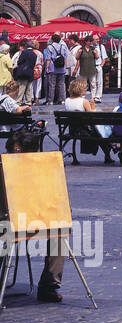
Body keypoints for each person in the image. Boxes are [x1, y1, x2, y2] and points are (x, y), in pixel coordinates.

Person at [9, 123, 66, 302]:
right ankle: (49, 286)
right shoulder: (5, 167)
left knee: (59, 232)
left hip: (33, 220)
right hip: (7, 224)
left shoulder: (41, 170)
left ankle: (49, 285)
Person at [43, 33, 71, 106]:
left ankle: (51, 101)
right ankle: (62, 100)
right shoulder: (63, 46)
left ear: (52, 40)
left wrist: (47, 68)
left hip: (53, 68)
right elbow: (65, 58)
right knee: (61, 84)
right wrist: (65, 67)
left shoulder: (50, 47)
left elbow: (48, 59)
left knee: (52, 85)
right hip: (62, 68)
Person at [12, 40, 37, 107]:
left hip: (23, 73)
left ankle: (18, 101)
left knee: (22, 87)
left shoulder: (24, 52)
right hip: (30, 72)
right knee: (29, 88)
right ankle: (28, 102)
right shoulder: (34, 54)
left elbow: (19, 62)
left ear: (26, 46)